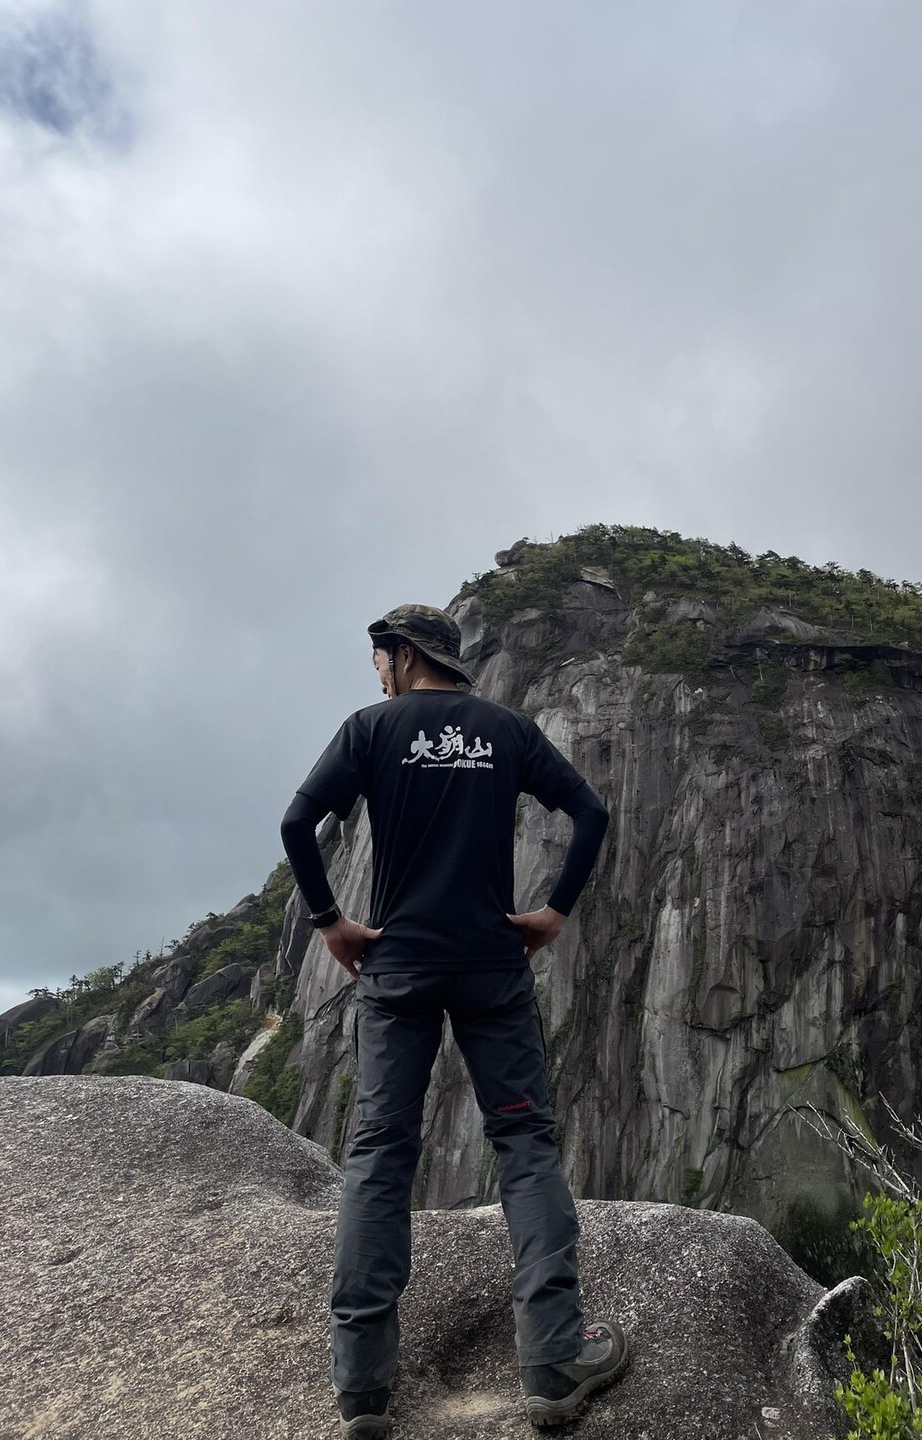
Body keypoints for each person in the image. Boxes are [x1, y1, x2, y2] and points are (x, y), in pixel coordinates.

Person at [280, 603, 629, 1437]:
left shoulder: (368, 730)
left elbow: (297, 823)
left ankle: (363, 1386)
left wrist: (330, 922)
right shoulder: (504, 730)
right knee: (523, 1145)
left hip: (395, 968)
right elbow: (592, 814)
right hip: (490, 969)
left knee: (379, 1153)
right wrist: (554, 912)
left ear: (402, 656)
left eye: (378, 657)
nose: (375, 671)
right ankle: (552, 1362)